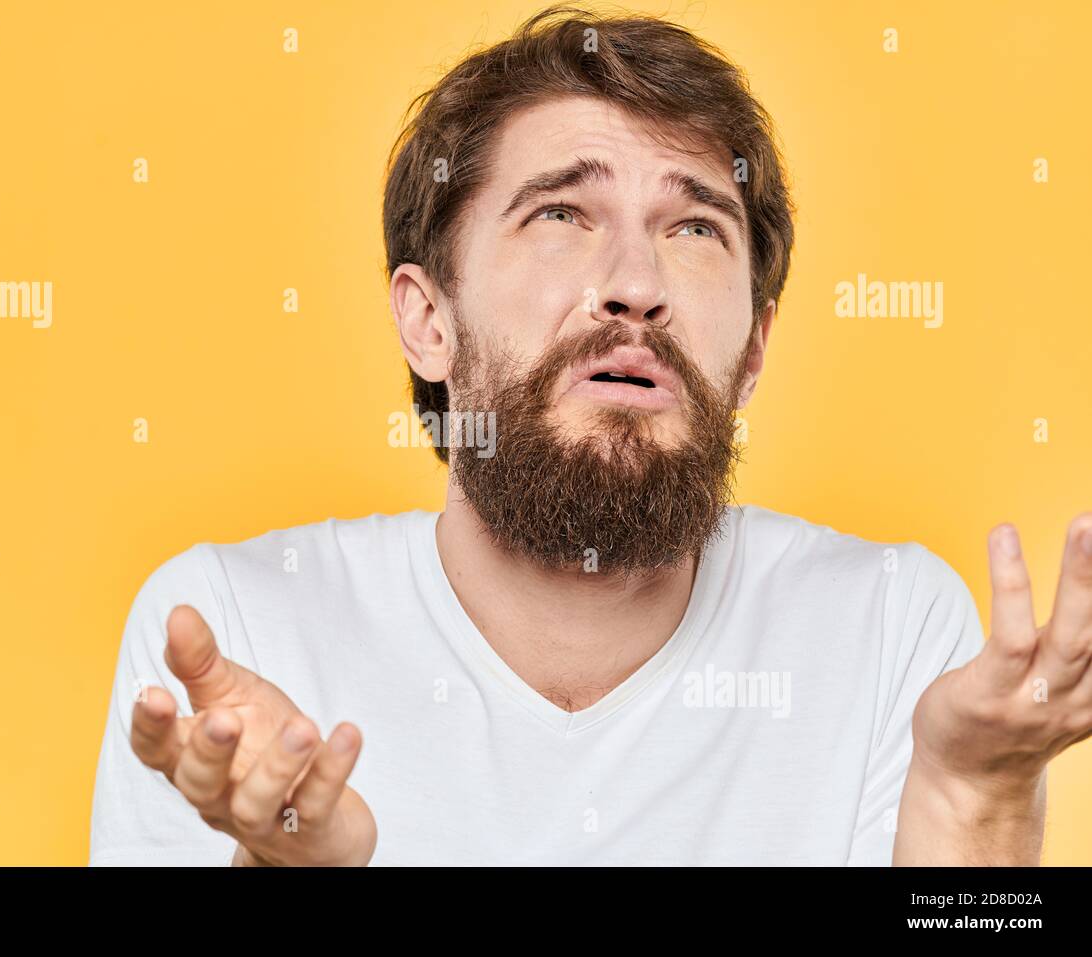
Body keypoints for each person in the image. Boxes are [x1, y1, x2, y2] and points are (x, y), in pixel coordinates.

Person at [88, 4, 1091, 866]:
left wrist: (975, 804)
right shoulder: (235, 638)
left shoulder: (889, 627)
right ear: (427, 320)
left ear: (752, 349)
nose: (637, 287)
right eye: (561, 213)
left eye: (694, 227)